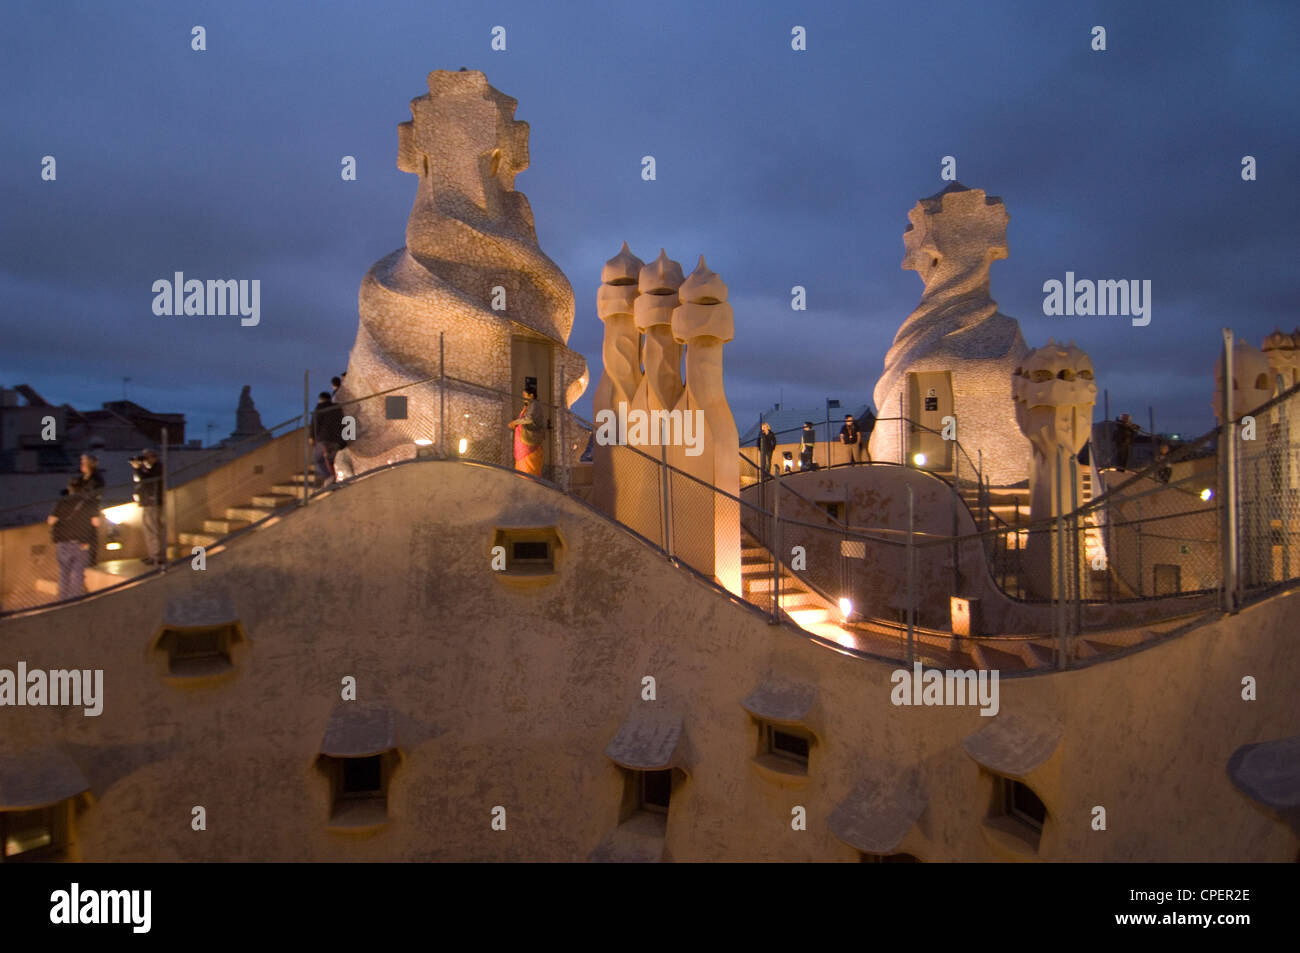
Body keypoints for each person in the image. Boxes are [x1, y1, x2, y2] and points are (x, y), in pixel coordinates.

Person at [47, 480, 99, 600]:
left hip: (63, 542)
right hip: (82, 543)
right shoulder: (90, 504)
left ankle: (62, 598)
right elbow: (96, 523)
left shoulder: (62, 502)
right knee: (78, 572)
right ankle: (75, 599)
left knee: (64, 572)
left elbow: (50, 521)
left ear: (70, 489)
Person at [130, 448, 164, 564]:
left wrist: (138, 468)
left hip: (153, 502)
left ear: (153, 457)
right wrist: (140, 468)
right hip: (147, 502)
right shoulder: (149, 469)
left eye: (147, 457)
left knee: (153, 529)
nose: (145, 459)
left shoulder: (158, 468)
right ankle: (152, 555)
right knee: (148, 529)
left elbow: (148, 480)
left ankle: (157, 556)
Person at [508, 384, 545, 475]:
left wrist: (515, 422)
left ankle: (529, 481)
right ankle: (523, 479)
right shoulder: (529, 406)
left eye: (525, 395)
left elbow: (529, 419)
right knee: (523, 464)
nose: (523, 398)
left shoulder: (535, 405)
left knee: (529, 465)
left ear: (531, 395)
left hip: (529, 442)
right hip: (524, 441)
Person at [311, 392, 343, 485]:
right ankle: (334, 481)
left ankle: (329, 477)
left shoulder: (320, 407)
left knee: (318, 460)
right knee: (330, 460)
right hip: (337, 440)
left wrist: (312, 437)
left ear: (321, 399)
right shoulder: (337, 408)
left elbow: (315, 423)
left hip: (325, 439)